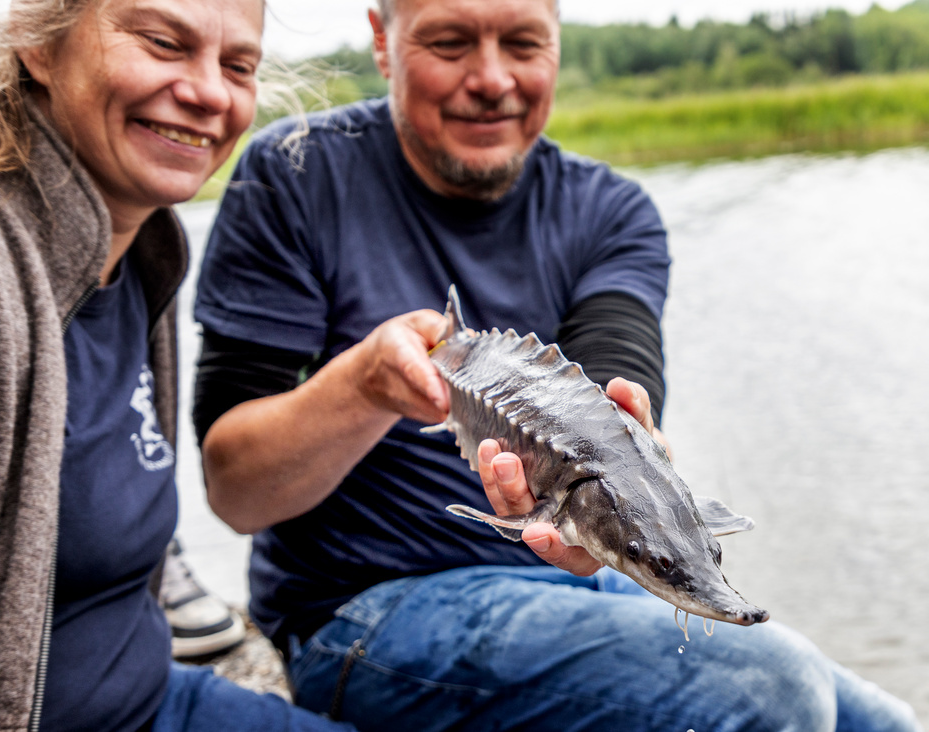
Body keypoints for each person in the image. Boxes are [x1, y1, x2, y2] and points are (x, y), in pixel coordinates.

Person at [191, 0, 922, 730]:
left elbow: (616, 383)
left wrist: (642, 434)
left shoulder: (611, 209)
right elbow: (235, 494)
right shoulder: (294, 172)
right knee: (775, 688)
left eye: (523, 42)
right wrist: (361, 388)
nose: (492, 78)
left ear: (559, 44)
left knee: (883, 721)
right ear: (383, 42)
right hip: (363, 610)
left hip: (576, 588)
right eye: (449, 42)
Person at [0, 1, 358, 730]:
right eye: (161, 42)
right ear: (38, 45)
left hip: (155, 699)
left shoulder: (142, 254)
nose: (211, 92)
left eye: (238, 65)